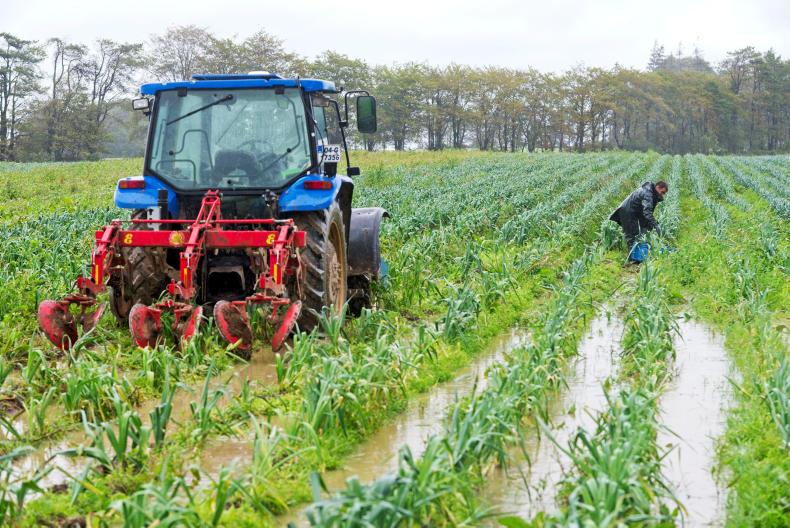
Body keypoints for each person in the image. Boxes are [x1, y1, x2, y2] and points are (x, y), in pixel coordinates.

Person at [609, 180, 668, 252]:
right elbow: (647, 213)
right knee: (632, 234)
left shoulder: (651, 191)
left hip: (634, 212)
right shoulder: (648, 193)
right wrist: (655, 225)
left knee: (643, 229)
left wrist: (652, 225)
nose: (662, 195)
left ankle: (641, 250)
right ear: (657, 187)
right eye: (662, 192)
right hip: (628, 211)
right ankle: (633, 257)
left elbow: (646, 213)